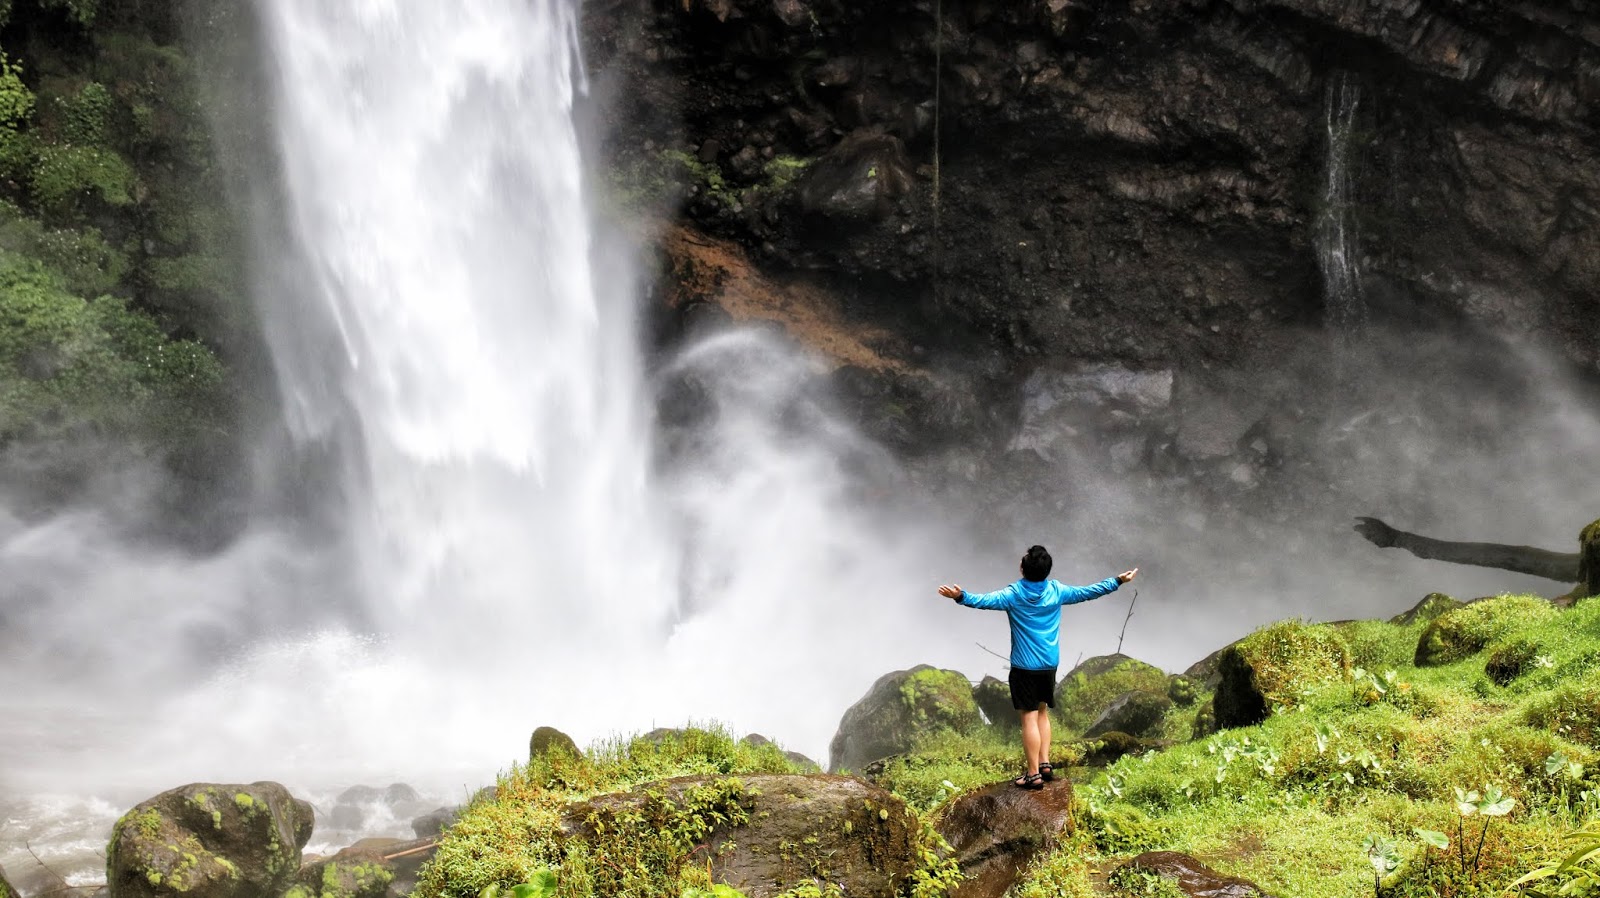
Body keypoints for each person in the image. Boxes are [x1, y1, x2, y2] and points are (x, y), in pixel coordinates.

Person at [938, 546, 1138, 789]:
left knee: (1029, 718)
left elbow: (984, 601)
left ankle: (1033, 775)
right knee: (1042, 712)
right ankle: (1045, 764)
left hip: (1025, 667)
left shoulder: (1014, 594)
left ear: (1023, 568)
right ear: (1047, 571)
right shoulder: (1057, 591)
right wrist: (1117, 580)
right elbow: (1088, 592)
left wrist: (960, 596)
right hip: (1049, 664)